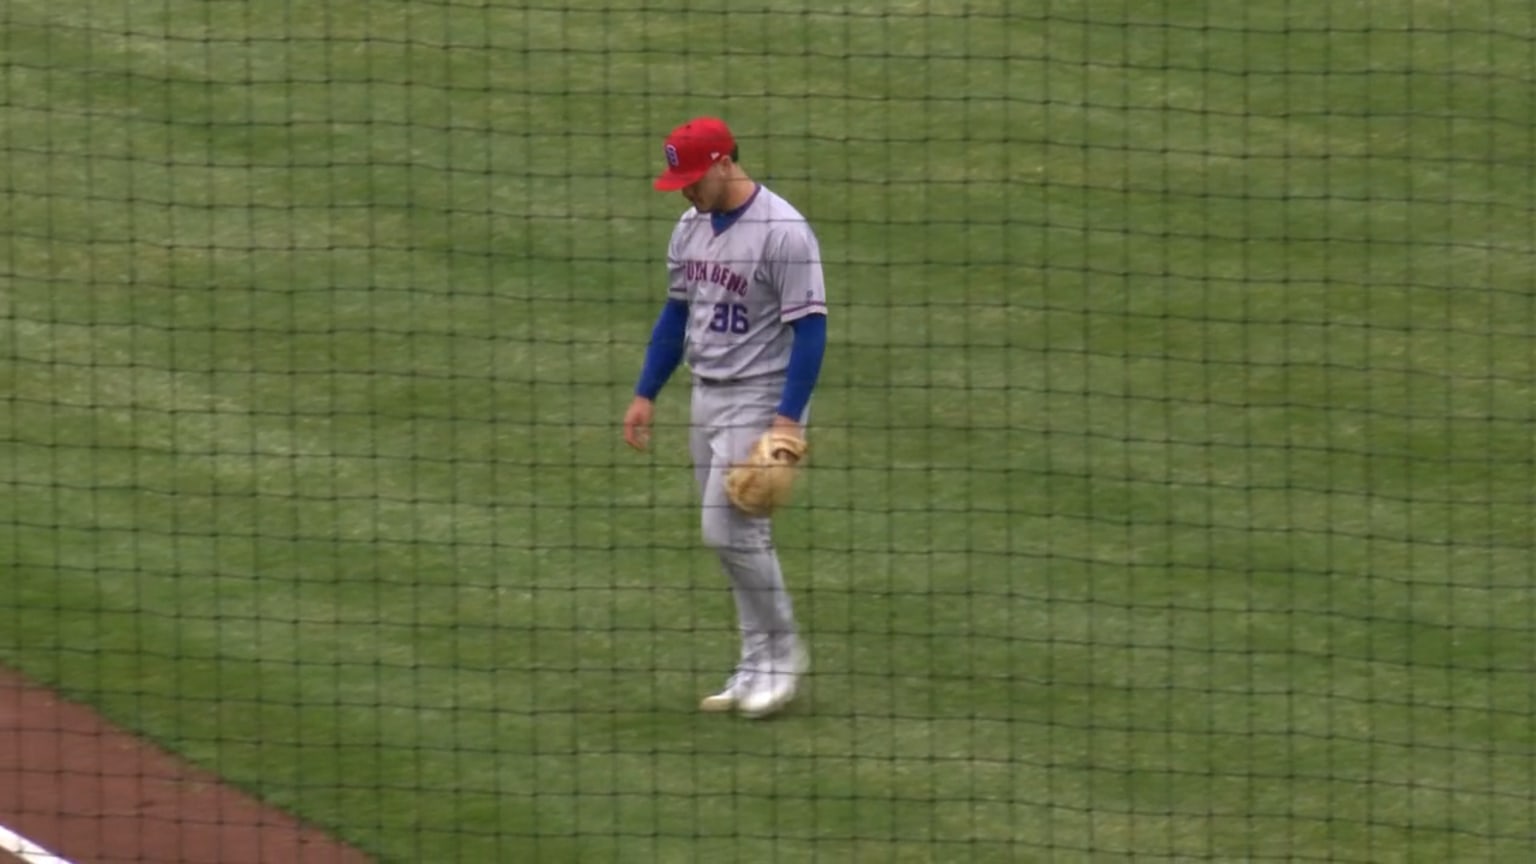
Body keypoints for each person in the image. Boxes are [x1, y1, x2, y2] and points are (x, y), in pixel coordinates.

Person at [622, 116, 829, 719]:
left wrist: (786, 419)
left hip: (760, 394)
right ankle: (753, 663)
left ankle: (782, 655)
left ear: (723, 163)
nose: (686, 191)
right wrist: (646, 392)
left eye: (693, 178)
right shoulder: (689, 228)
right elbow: (675, 315)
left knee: (728, 530)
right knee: (735, 539)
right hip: (705, 394)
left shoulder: (783, 232)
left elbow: (811, 330)